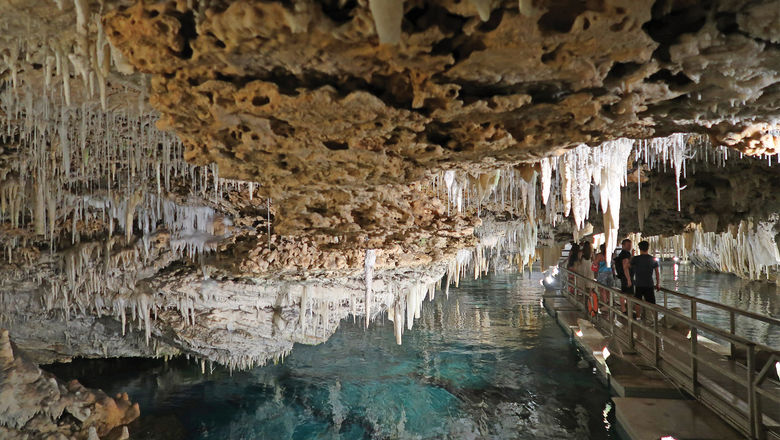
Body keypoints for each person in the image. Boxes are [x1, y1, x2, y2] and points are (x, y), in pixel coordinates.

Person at [630, 240, 660, 318]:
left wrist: (632, 255)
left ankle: (638, 317)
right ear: (648, 248)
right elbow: (657, 272)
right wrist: (658, 283)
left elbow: (629, 266)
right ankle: (655, 319)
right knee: (652, 303)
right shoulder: (653, 259)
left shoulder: (636, 259)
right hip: (649, 284)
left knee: (638, 302)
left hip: (639, 283)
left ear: (639, 248)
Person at [613, 239, 633, 312]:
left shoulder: (622, 254)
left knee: (624, 292)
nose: (629, 247)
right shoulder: (625, 254)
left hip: (623, 276)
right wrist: (629, 279)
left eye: (630, 245)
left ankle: (624, 309)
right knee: (627, 294)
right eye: (628, 245)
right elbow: (625, 267)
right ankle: (625, 309)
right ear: (623, 245)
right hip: (626, 277)